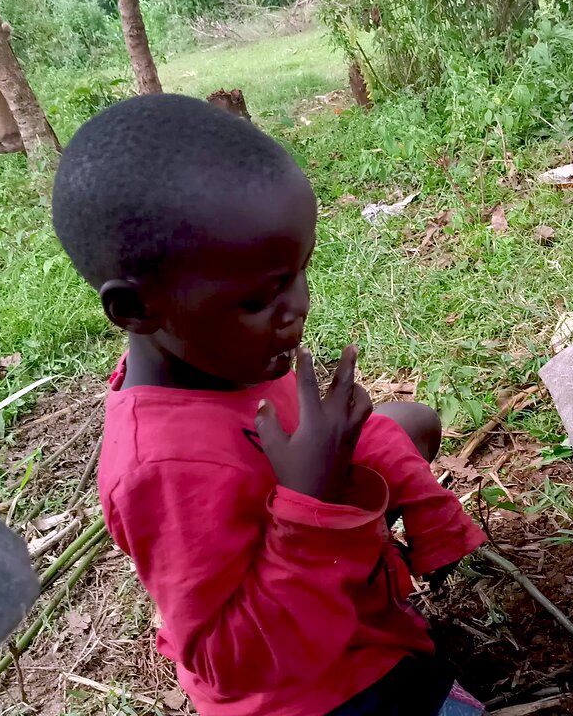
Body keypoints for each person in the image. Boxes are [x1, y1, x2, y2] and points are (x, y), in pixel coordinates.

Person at [51, 93, 487, 716]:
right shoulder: (163, 469)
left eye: (299, 272)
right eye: (260, 299)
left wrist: (420, 502)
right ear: (139, 309)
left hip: (333, 589)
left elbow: (348, 439)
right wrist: (310, 505)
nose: (298, 308)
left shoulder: (229, 358)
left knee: (404, 425)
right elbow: (231, 661)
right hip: (301, 687)